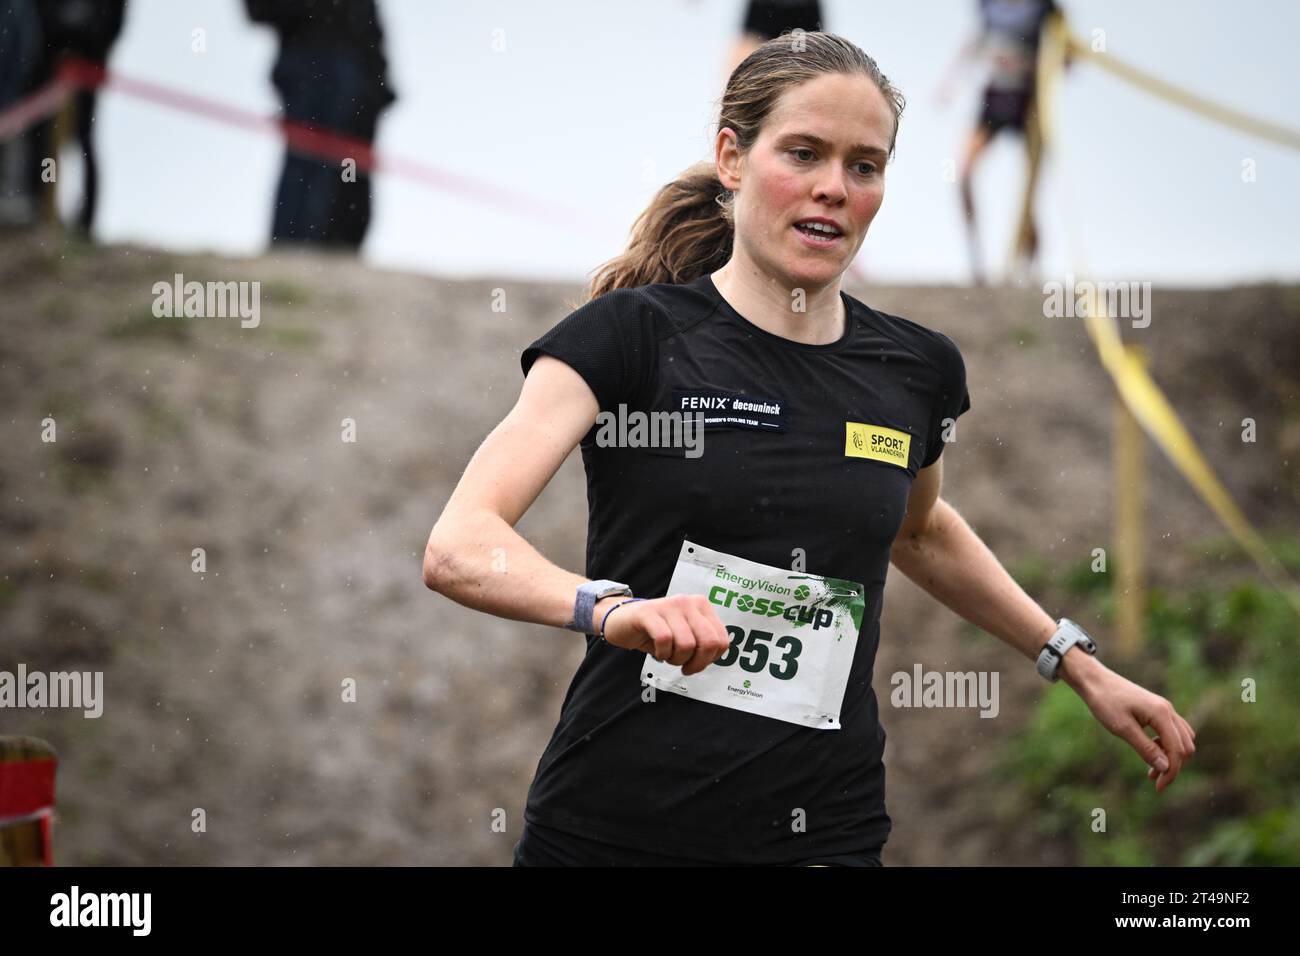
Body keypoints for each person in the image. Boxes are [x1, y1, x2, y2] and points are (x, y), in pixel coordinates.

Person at [422, 30, 1195, 867]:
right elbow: (461, 545)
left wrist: (1076, 662)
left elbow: (921, 530)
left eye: (864, 166)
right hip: (615, 831)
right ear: (732, 157)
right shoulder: (625, 339)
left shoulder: (916, 370)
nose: (833, 188)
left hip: (824, 833)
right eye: (804, 153)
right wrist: (612, 610)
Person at [936, 0, 1068, 285]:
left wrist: (1034, 63)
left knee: (1029, 191)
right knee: (964, 173)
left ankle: (1030, 265)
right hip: (994, 99)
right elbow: (976, 38)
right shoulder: (987, 6)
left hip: (1030, 105)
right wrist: (949, 82)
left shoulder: (1046, 8)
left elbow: (1067, 58)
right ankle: (977, 259)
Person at [244, 0, 395, 249]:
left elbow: (367, 17)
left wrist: (379, 77)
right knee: (309, 162)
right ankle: (291, 253)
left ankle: (337, 255)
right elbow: (259, 10)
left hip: (359, 69)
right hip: (311, 60)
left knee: (350, 170)